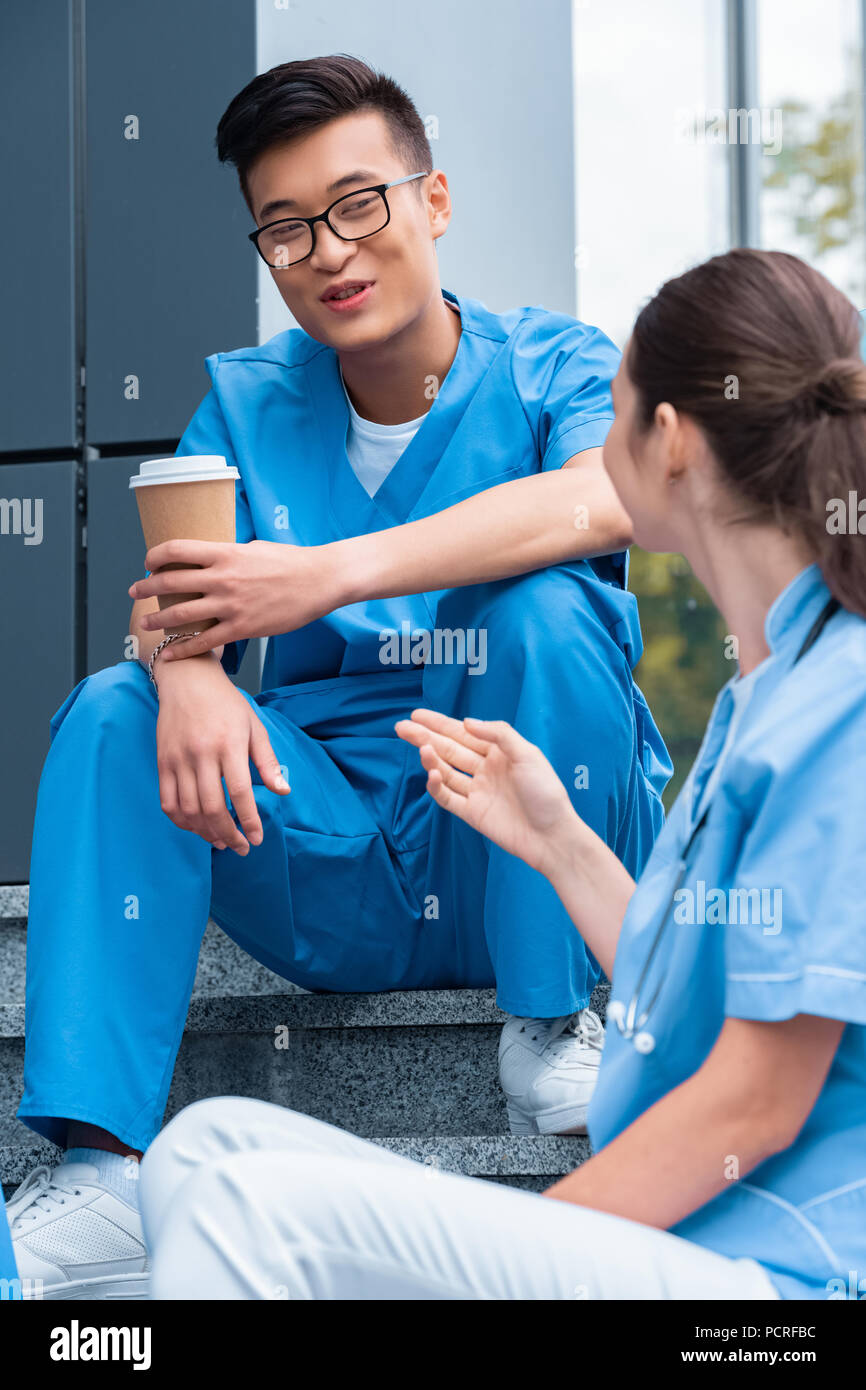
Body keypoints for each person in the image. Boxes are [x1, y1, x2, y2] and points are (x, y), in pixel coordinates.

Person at [6, 56, 668, 1298]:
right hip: (333, 854)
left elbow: (598, 499)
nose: (328, 249)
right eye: (286, 225)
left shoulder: (554, 366)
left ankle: (549, 1027)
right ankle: (99, 1176)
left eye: (359, 201)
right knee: (116, 707)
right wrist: (187, 672)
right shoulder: (245, 402)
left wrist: (322, 577)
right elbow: (174, 594)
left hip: (515, 848)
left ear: (435, 201)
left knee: (547, 609)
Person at [137, 247, 866, 1301]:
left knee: (246, 1208)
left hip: (776, 1285)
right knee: (209, 1151)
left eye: (610, 414)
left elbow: (752, 1104)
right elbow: (690, 998)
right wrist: (560, 844)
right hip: (688, 1256)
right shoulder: (766, 690)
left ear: (665, 442)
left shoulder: (835, 701)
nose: (592, 452)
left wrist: (518, 1249)